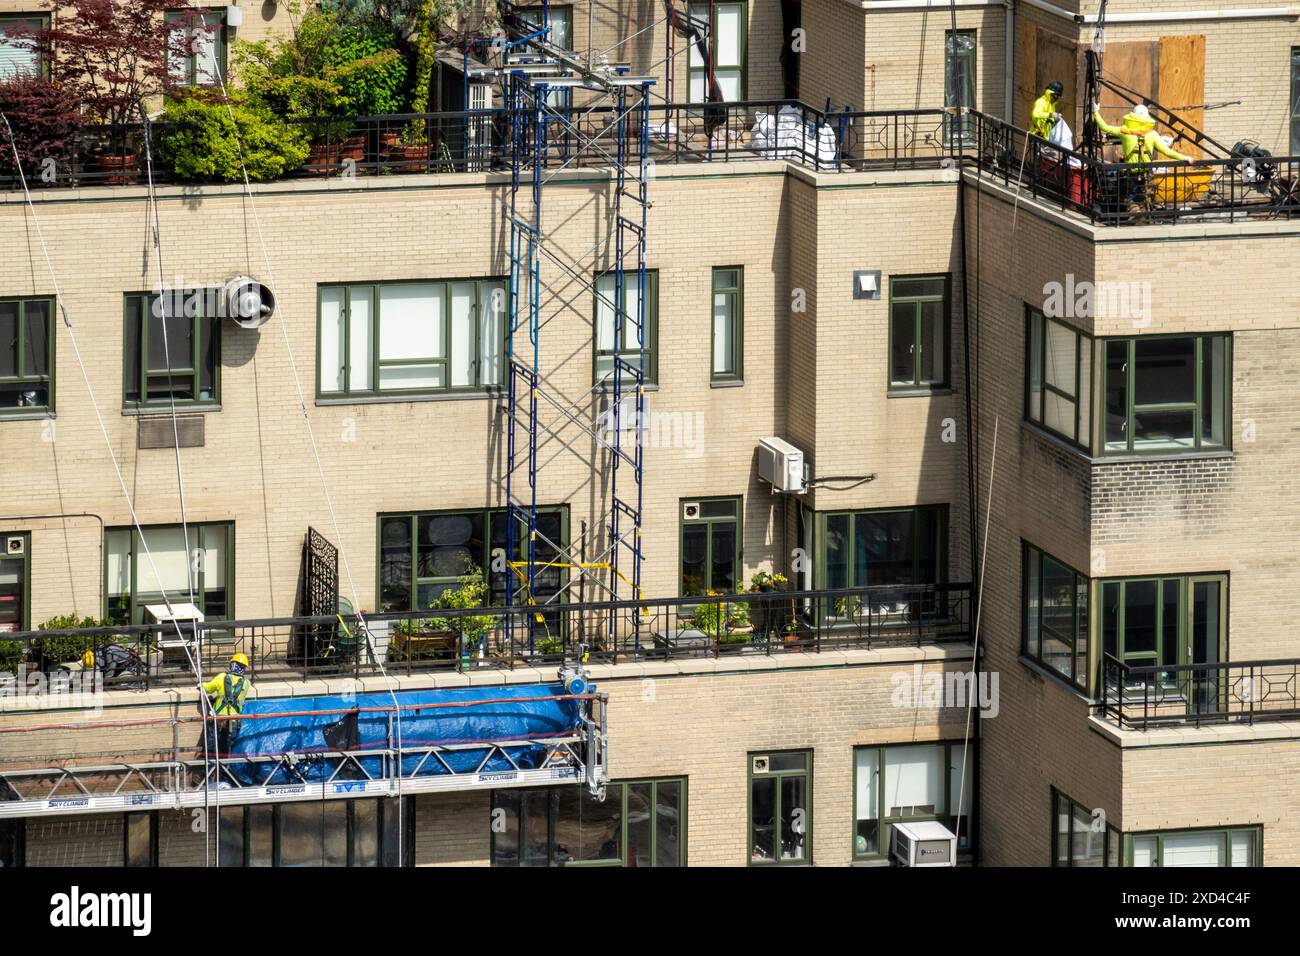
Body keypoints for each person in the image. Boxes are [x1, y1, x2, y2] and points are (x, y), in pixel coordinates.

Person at [1092, 102, 1189, 164]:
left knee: (1125, 195)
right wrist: (1184, 157)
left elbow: (1105, 127)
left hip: (1128, 173)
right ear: (1147, 119)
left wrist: (1095, 112)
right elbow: (1167, 151)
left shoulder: (1124, 132)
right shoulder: (1152, 134)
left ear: (1132, 117)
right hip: (1145, 175)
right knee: (1143, 196)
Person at [202, 652, 250, 757]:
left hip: (218, 719)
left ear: (232, 665)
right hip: (233, 720)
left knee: (212, 747)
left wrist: (201, 685)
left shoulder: (222, 677)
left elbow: (208, 688)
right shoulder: (246, 683)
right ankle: (225, 771)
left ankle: (211, 769)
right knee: (228, 749)